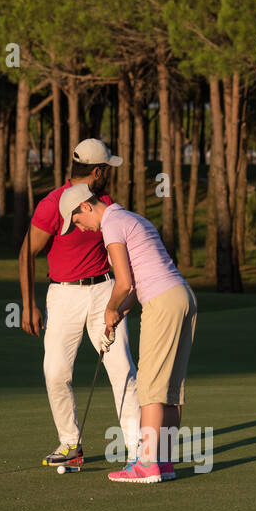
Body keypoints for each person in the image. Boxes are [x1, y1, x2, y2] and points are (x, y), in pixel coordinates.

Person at [63, 185, 197, 483]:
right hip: (183, 297)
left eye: (76, 221)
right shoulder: (132, 218)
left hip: (162, 302)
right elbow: (135, 282)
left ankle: (147, 463)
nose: (81, 229)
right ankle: (164, 463)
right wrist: (120, 312)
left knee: (150, 387)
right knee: (170, 391)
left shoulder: (111, 225)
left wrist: (109, 310)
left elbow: (123, 283)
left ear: (85, 206)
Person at [19, 139, 139, 467]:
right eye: (107, 170)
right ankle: (70, 445)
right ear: (97, 171)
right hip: (64, 294)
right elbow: (26, 253)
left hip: (104, 290)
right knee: (55, 371)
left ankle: (137, 448)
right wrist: (28, 304)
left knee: (122, 368)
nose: (109, 176)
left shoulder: (105, 203)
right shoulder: (52, 205)